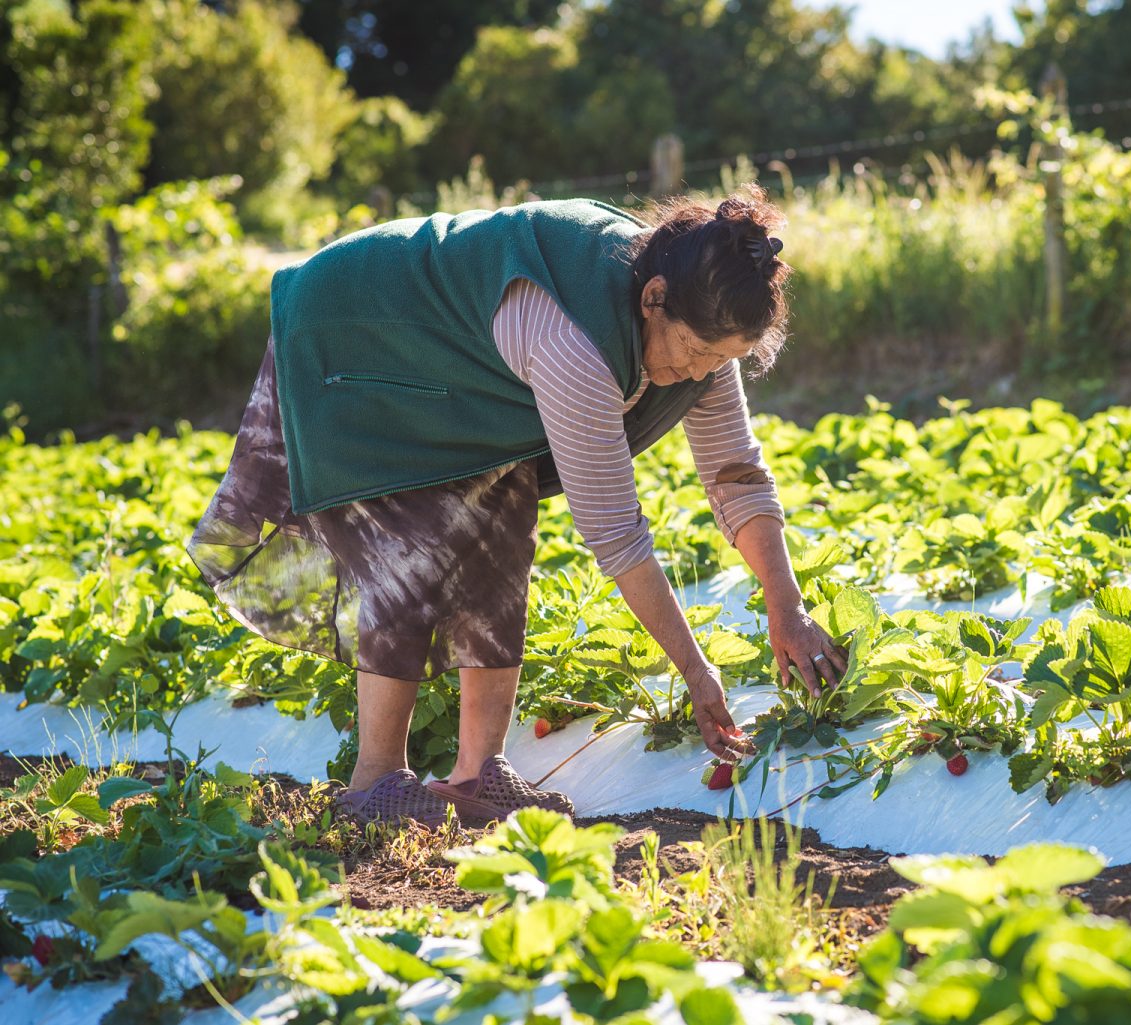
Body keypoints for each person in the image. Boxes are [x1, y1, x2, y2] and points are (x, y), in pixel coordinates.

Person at [187, 183, 848, 827]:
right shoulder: (573, 340)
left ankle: (480, 768)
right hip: (364, 328)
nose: (702, 371)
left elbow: (736, 472)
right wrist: (696, 671)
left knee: (506, 516)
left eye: (721, 360)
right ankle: (375, 780)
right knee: (414, 536)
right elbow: (617, 534)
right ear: (652, 299)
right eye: (697, 352)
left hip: (465, 361)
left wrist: (785, 605)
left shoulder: (704, 321)